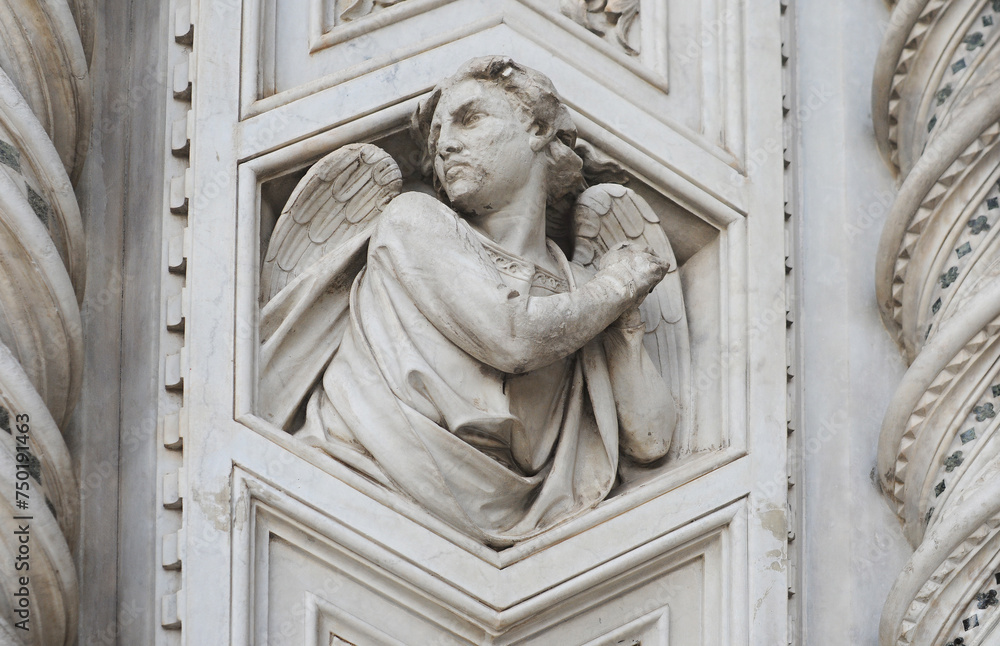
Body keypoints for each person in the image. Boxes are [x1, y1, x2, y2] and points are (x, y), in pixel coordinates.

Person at [294, 57, 677, 546]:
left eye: (470, 119)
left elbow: (651, 440)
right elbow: (514, 339)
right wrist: (617, 288)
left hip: (529, 534)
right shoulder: (414, 221)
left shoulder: (581, 288)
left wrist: (622, 322)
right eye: (437, 136)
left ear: (538, 129)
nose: (445, 145)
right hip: (359, 498)